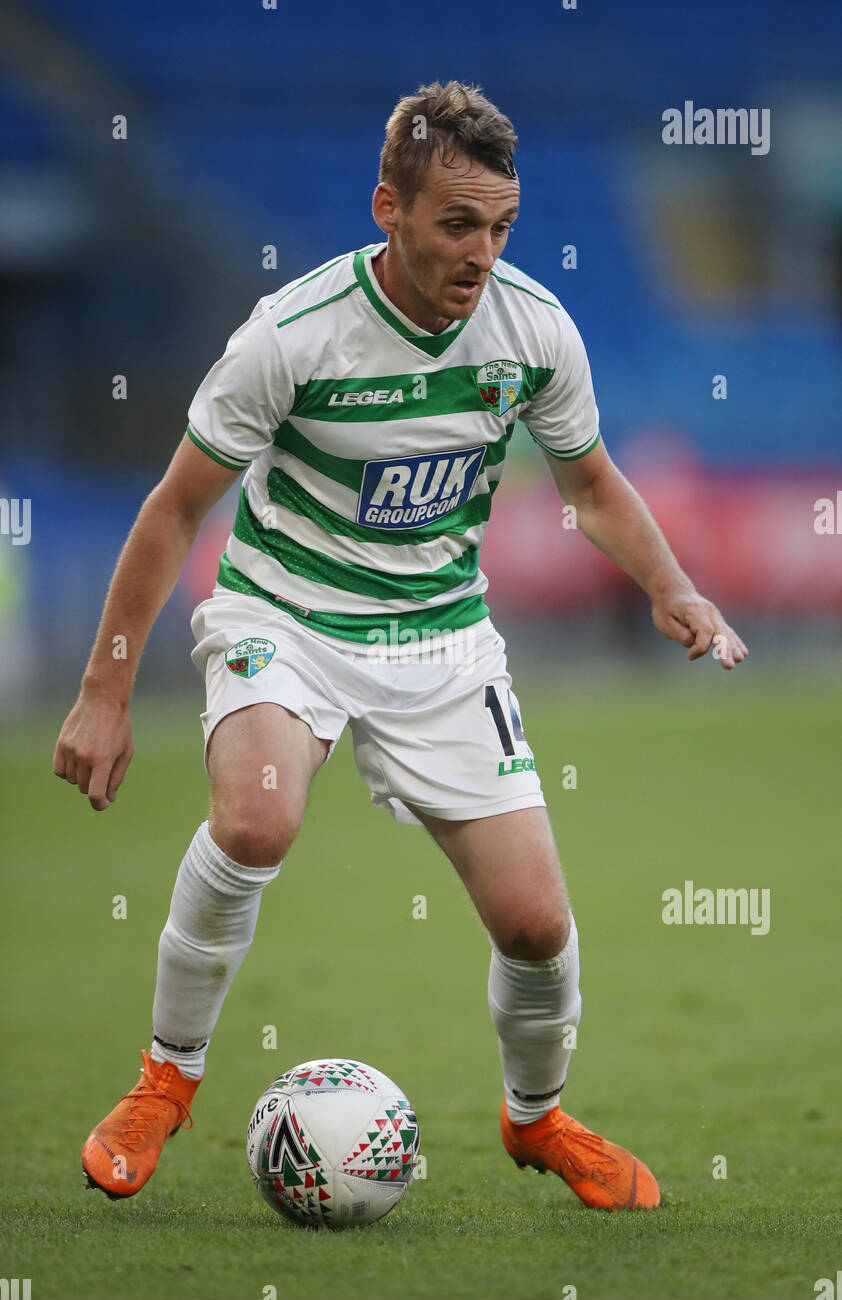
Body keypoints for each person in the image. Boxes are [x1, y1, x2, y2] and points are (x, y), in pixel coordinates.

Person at [53, 80, 747, 1213]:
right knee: (256, 817)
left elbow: (589, 482)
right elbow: (174, 509)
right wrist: (102, 692)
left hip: (440, 641)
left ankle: (537, 1120)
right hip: (285, 616)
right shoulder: (289, 335)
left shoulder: (531, 330)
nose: (481, 251)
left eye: (500, 226)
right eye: (456, 223)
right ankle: (165, 1082)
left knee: (535, 923)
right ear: (390, 207)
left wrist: (672, 588)